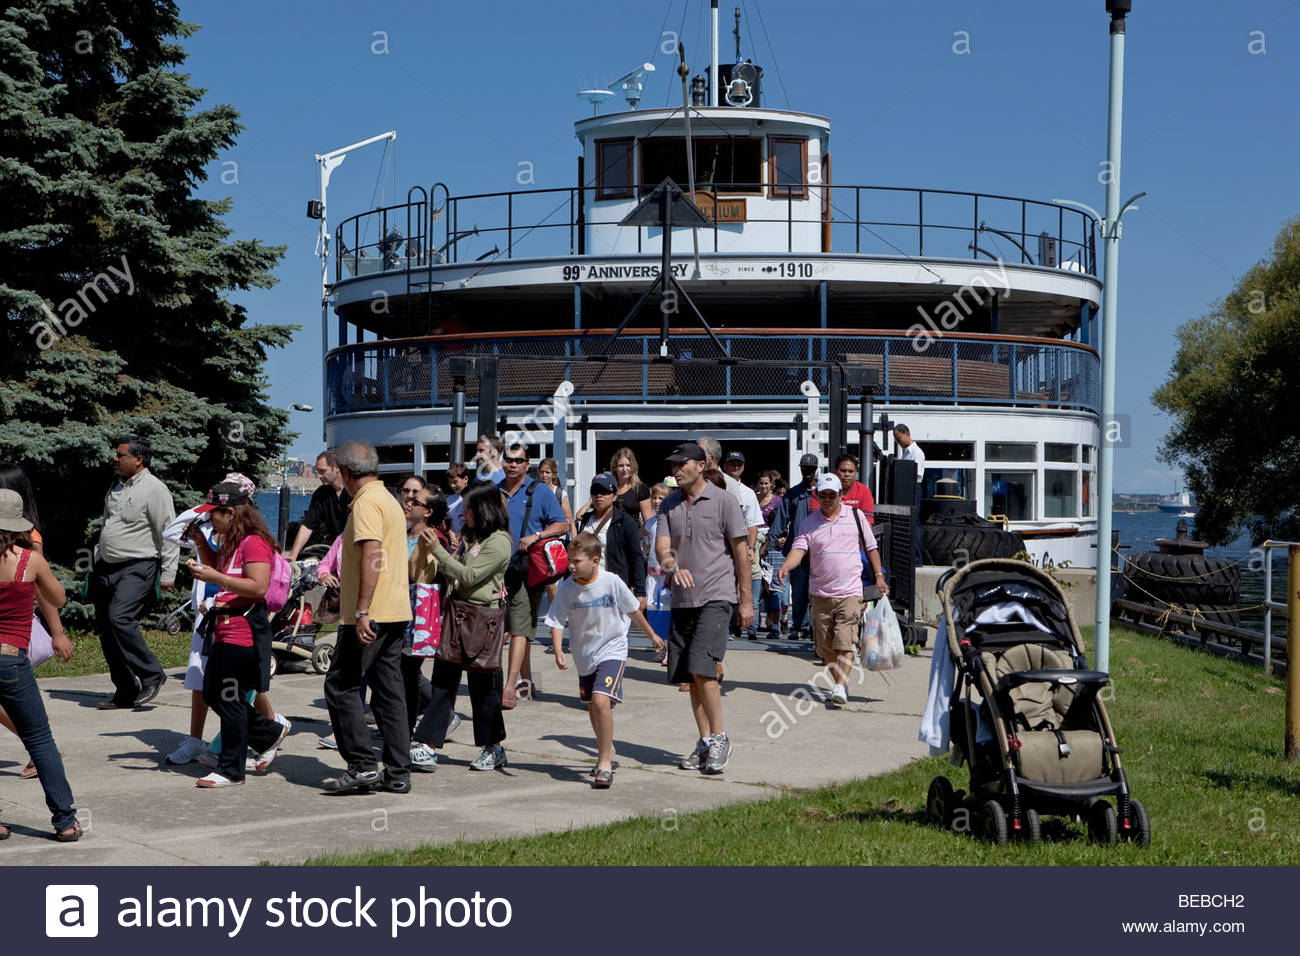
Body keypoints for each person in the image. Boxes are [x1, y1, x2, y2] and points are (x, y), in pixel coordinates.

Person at [163, 473, 284, 766]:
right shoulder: (233, 540)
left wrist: (215, 577)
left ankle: (232, 765)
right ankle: (267, 734)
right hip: (225, 624)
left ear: (230, 513)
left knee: (230, 698)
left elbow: (257, 586)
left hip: (243, 627)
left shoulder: (253, 542)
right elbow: (221, 568)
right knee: (216, 693)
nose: (210, 521)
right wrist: (201, 544)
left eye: (213, 515)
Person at [321, 440, 413, 794]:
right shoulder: (389, 499)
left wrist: (361, 610)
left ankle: (361, 764)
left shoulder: (365, 503)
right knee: (389, 691)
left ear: (345, 473)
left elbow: (373, 553)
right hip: (394, 611)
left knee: (341, 685)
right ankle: (397, 771)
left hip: (369, 615)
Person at [656, 442, 752, 775]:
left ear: (701, 465)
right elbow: (662, 549)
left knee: (703, 668)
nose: (675, 470)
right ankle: (705, 741)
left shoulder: (725, 502)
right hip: (682, 601)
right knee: (691, 678)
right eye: (673, 465)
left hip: (717, 596)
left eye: (681, 464)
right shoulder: (669, 505)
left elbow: (742, 554)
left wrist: (746, 600)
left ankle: (721, 738)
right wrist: (672, 566)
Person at [409, 481, 513, 772]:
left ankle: (493, 747)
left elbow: (469, 575)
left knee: (482, 687)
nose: (463, 512)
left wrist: (438, 552)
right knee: (443, 680)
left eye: (469, 507)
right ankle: (427, 745)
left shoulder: (500, 541)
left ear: (484, 510)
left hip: (481, 619)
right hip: (457, 614)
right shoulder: (472, 537)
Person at [546, 533, 664, 789]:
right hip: (584, 654)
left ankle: (604, 764)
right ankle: (606, 746)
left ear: (595, 560)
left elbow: (633, 610)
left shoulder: (611, 582)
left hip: (613, 649)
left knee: (601, 699)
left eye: (577, 561)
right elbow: (556, 621)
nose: (572, 566)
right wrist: (558, 650)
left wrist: (652, 635)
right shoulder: (567, 587)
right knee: (592, 705)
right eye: (570, 561)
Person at [0, 489, 80, 840]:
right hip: (10, 659)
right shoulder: (29, 559)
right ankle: (64, 821)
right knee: (40, 739)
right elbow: (58, 598)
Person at [777, 474, 888, 708]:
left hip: (850, 592)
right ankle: (841, 682)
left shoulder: (856, 517)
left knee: (844, 641)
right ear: (816, 496)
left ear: (841, 495)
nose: (827, 499)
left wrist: (879, 577)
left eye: (832, 495)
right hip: (820, 593)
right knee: (825, 647)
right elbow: (799, 548)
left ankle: (838, 687)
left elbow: (872, 548)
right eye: (823, 495)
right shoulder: (810, 522)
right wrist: (786, 565)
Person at [91, 435, 178, 709]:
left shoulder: (155, 489)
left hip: (138, 566)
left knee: (120, 617)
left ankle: (152, 674)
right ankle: (126, 690)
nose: (115, 459)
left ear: (138, 459)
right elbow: (108, 524)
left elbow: (169, 532)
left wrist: (168, 574)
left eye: (121, 455)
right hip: (106, 567)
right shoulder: (116, 488)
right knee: (106, 627)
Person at [499, 442, 568, 708]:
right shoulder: (497, 492)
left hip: (527, 568)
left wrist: (536, 535)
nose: (513, 464)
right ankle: (527, 684)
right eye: (509, 460)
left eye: (519, 461)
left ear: (528, 465)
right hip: (500, 569)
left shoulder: (539, 491)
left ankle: (510, 687)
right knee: (523, 627)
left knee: (518, 627)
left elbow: (562, 523)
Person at [575, 472, 661, 646]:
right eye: (595, 491)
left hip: (613, 587)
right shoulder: (585, 520)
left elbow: (636, 557)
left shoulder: (625, 522)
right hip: (585, 588)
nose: (600, 496)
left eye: (605, 491)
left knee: (614, 637)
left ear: (615, 495)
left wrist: (640, 592)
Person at [769, 453, 820, 640]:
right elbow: (781, 518)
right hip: (798, 551)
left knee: (819, 593)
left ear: (816, 470)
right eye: (805, 469)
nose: (808, 472)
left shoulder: (822, 493)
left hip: (819, 551)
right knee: (798, 592)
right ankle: (799, 626)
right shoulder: (793, 494)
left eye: (811, 469)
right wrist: (772, 540)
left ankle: (816, 627)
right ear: (801, 469)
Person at [287, 450, 352, 561]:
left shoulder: (353, 491)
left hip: (352, 549)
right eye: (317, 471)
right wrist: (293, 556)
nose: (319, 476)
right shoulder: (321, 494)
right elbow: (308, 525)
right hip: (334, 549)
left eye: (323, 471)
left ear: (336, 468)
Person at [575, 447, 652, 527]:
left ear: (633, 467)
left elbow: (648, 521)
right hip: (609, 535)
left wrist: (636, 536)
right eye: (621, 466)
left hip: (632, 534)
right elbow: (579, 516)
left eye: (628, 465)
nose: (625, 469)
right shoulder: (607, 487)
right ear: (615, 468)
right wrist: (591, 499)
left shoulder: (640, 489)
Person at [894, 423, 926, 566]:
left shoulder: (916, 453)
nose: (898, 442)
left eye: (899, 438)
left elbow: (916, 474)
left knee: (913, 522)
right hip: (906, 489)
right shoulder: (906, 452)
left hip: (913, 488)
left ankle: (917, 558)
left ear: (907, 434)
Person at [834, 453, 876, 522]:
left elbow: (868, 523)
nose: (847, 474)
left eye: (851, 471)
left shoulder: (864, 491)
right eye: (843, 471)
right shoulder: (823, 490)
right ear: (835, 472)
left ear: (856, 473)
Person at [445, 462, 470, 534]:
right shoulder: (448, 500)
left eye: (455, 481)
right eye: (450, 482)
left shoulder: (473, 496)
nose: (452, 485)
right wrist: (452, 536)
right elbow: (448, 522)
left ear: (465, 479)